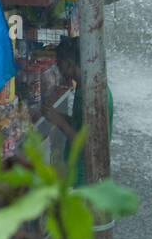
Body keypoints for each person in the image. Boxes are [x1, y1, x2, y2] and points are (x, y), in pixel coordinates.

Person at [44, 35, 114, 187]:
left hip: (83, 177)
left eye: (59, 63)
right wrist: (56, 115)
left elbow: (88, 144)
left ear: (69, 64)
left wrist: (60, 121)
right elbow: (81, 126)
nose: (58, 67)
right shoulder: (89, 87)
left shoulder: (89, 96)